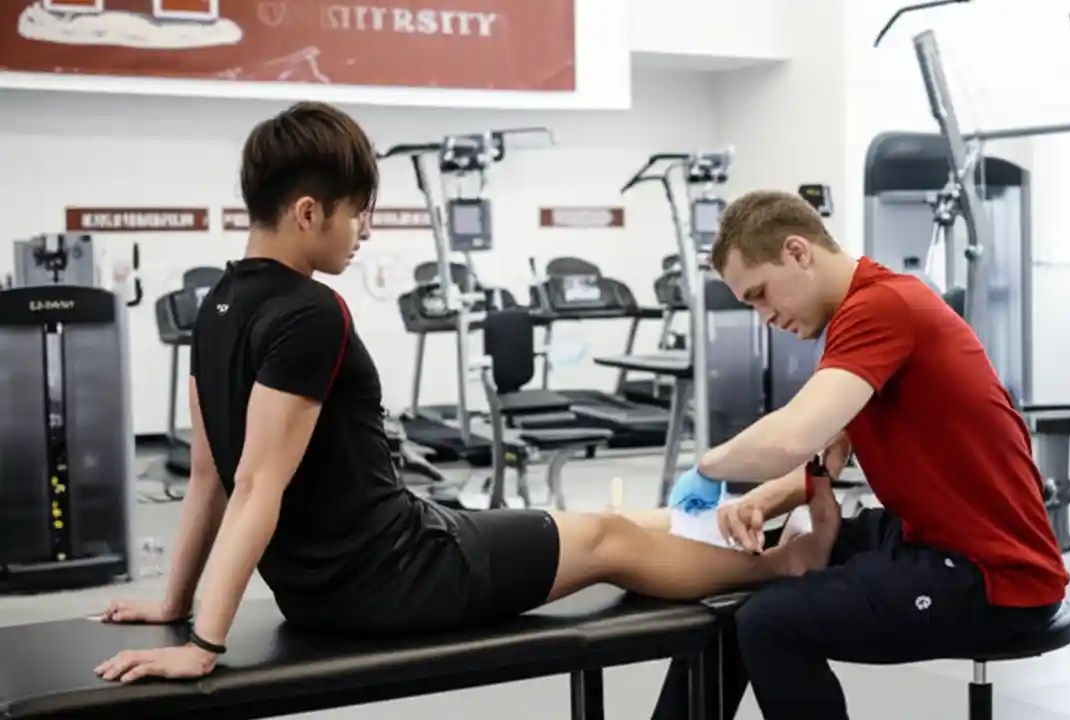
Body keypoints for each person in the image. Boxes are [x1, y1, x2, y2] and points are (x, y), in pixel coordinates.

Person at [91, 102, 838, 685]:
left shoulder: (218, 306)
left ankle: (721, 522)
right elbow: (253, 485)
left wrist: (172, 603)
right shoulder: (311, 311)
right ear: (309, 212)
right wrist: (202, 645)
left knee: (603, 518)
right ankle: (777, 566)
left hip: (336, 580)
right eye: (358, 213)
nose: (365, 232)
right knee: (607, 542)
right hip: (395, 574)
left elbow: (212, 479)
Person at [649, 190, 1070, 719]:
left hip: (990, 574)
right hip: (927, 538)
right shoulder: (864, 311)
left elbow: (792, 437)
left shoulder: (881, 307)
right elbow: (829, 450)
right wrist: (763, 500)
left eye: (760, 294)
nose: (764, 317)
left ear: (798, 252)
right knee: (736, 587)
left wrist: (706, 467)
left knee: (769, 624)